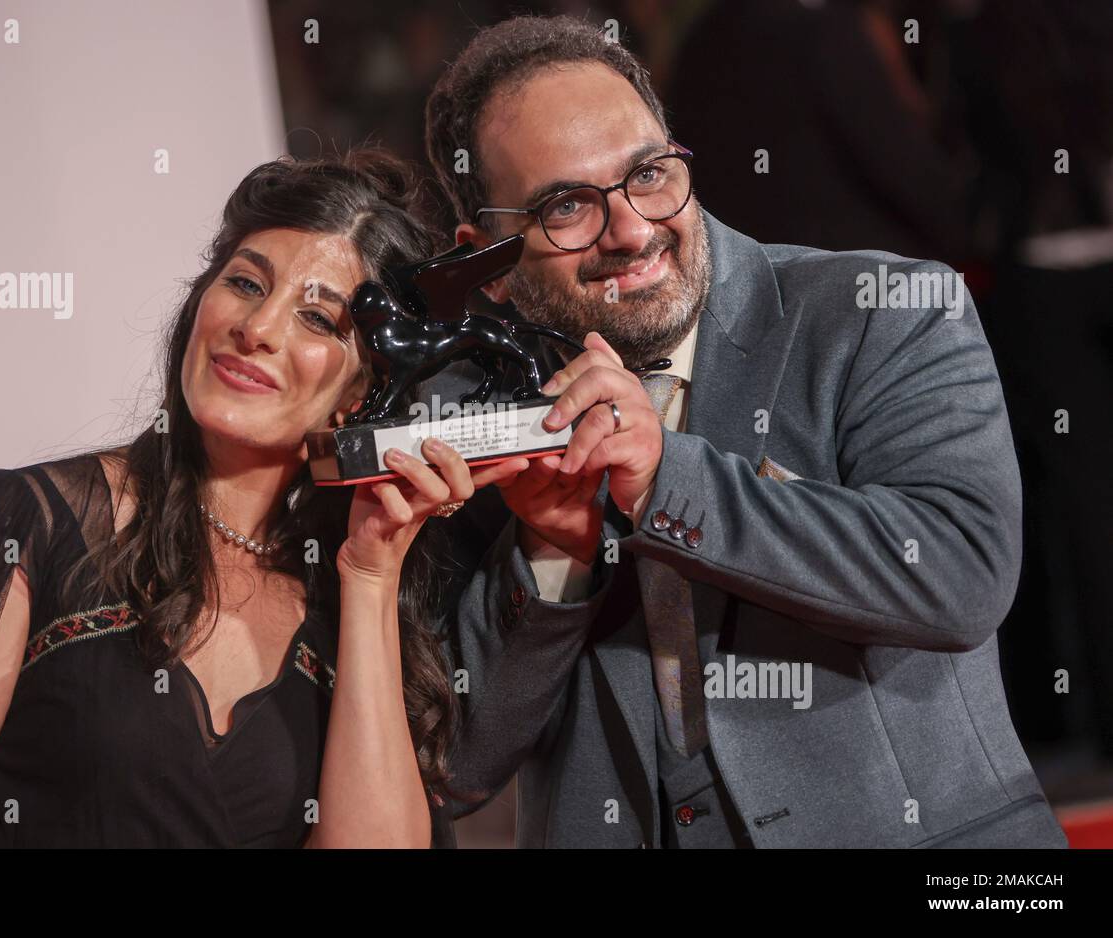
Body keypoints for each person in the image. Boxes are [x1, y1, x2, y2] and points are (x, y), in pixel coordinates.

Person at [424, 15, 1069, 848]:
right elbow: (455, 767)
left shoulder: (883, 312)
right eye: (566, 207)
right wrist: (550, 555)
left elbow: (961, 572)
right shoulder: (477, 422)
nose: (631, 230)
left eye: (648, 175)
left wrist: (667, 482)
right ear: (490, 264)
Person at [0, 149, 526, 849]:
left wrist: (371, 578)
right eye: (247, 283)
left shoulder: (342, 612)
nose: (257, 328)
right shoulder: (23, 528)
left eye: (317, 320)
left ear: (358, 396)